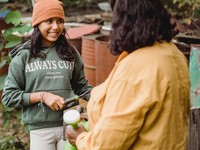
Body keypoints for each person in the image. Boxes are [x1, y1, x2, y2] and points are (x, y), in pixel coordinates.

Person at [66, 0, 190, 149]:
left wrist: (81, 138)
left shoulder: (136, 68)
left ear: (124, 21)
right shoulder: (175, 54)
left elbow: (106, 145)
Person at [1, 0, 93, 150]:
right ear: (38, 23)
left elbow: (81, 87)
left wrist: (102, 95)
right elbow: (8, 96)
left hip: (69, 125)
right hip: (40, 130)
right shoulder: (24, 55)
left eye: (60, 21)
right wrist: (42, 96)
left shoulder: (70, 53)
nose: (55, 27)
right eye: (49, 21)